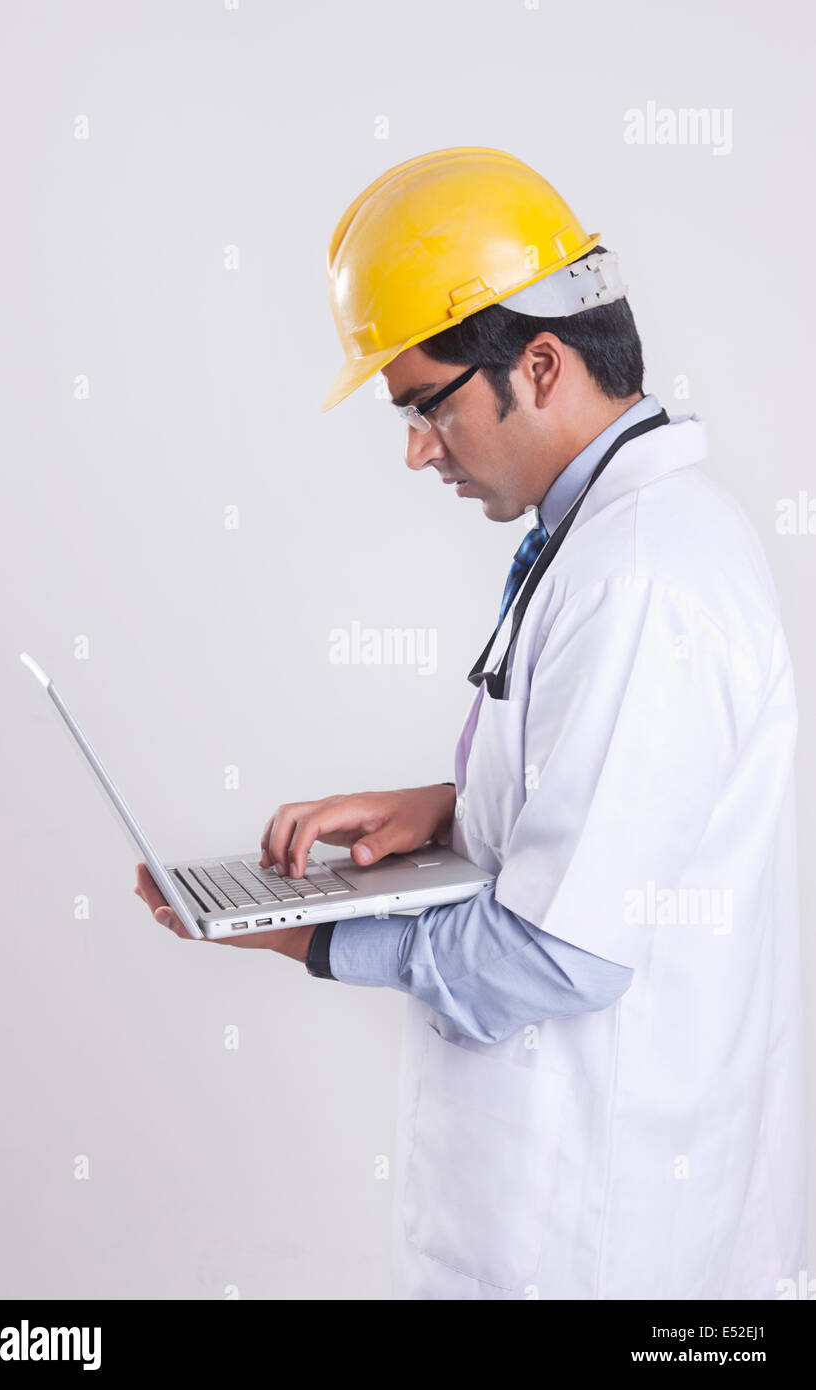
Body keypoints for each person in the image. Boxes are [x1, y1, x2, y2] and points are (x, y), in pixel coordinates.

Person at [135, 147, 806, 1300]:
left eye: (423, 406)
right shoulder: (622, 540)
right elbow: (628, 812)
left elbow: (560, 949)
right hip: (586, 1216)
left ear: (538, 364)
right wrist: (447, 809)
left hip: (599, 1242)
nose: (413, 449)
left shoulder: (638, 573)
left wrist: (300, 935)